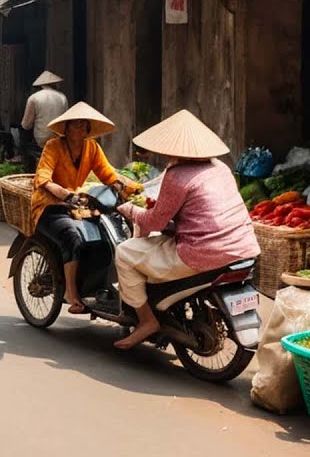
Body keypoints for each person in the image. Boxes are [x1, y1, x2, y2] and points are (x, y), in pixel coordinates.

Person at [112, 110, 261, 349]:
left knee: (125, 252)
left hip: (203, 254)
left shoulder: (176, 175)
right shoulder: (221, 168)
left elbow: (154, 223)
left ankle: (147, 321)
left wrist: (130, 210)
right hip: (245, 249)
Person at [31, 103, 130, 314]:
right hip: (48, 207)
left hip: (75, 207)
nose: (80, 128)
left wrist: (123, 185)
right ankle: (71, 293)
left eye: (83, 125)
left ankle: (98, 289)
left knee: (104, 239)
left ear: (88, 129)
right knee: (72, 237)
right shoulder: (53, 146)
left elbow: (108, 174)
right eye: (75, 124)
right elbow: (43, 178)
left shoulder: (92, 148)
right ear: (65, 128)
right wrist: (65, 194)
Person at [20, 71, 69, 171]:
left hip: (41, 140)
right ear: (54, 84)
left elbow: (26, 125)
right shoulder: (63, 97)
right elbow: (66, 120)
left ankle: (28, 168)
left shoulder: (34, 98)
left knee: (23, 135)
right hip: (59, 139)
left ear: (41, 85)